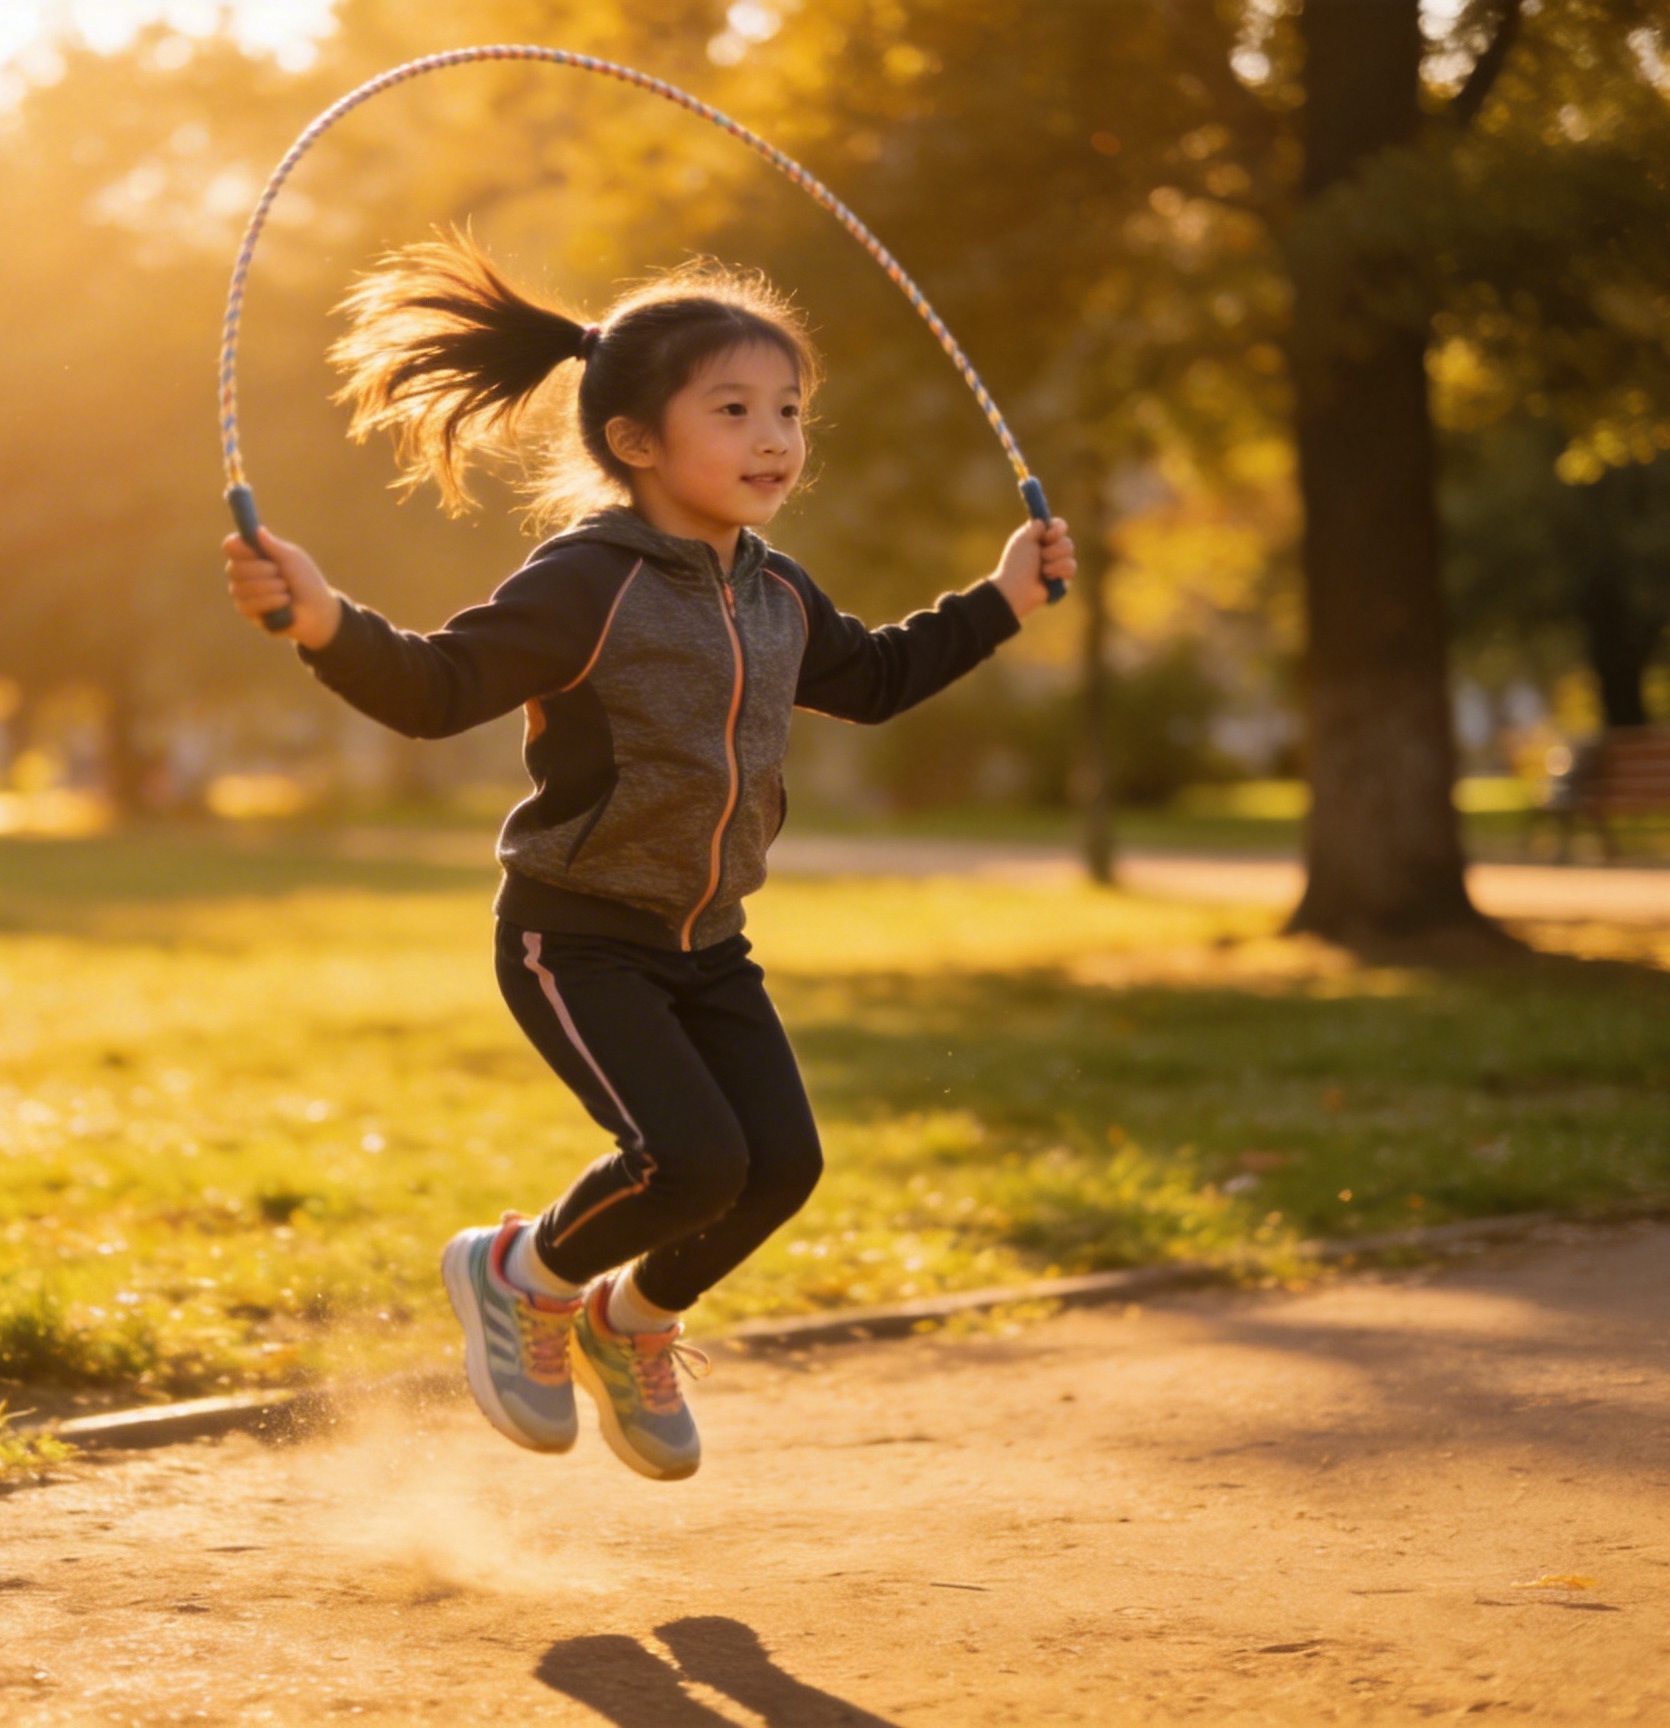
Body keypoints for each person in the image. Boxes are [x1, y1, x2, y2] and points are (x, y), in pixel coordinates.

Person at [223, 231, 1072, 1481]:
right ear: (635, 441)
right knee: (692, 1160)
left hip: (705, 945)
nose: (775, 436)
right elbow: (435, 687)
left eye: (789, 409)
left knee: (780, 1167)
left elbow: (877, 680)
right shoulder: (587, 581)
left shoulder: (775, 593)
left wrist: (999, 600)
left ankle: (630, 1323)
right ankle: (518, 1274)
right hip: (576, 937)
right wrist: (323, 621)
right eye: (733, 410)